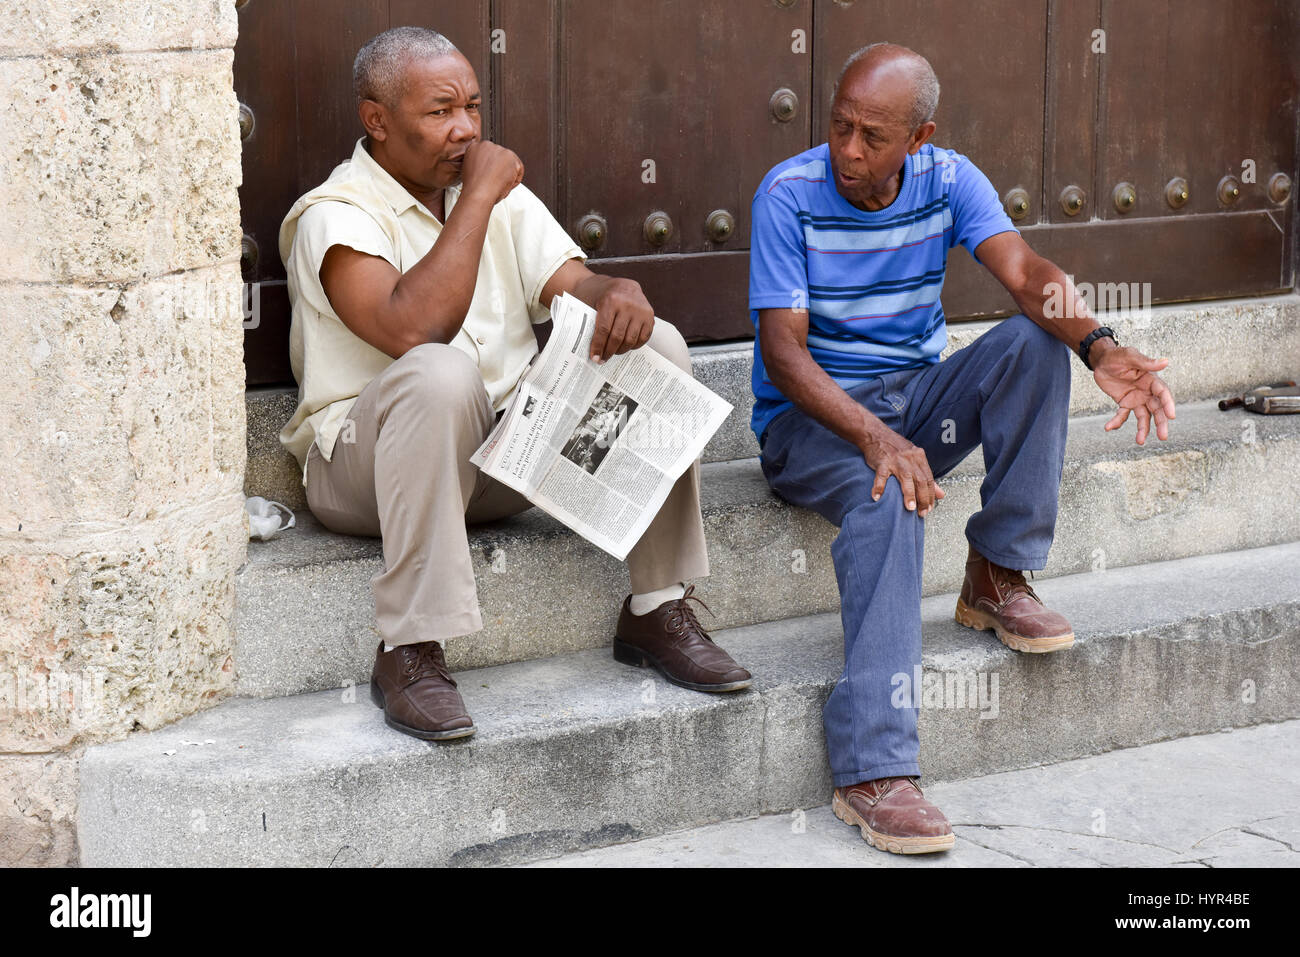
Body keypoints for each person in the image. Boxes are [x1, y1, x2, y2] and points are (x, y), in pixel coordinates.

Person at [749, 42, 1176, 854]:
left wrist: (1098, 342)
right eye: (839, 125)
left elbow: (1021, 270)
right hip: (812, 425)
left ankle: (995, 572)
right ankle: (873, 770)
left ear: (919, 137)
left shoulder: (948, 178)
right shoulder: (788, 196)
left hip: (915, 399)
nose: (847, 149)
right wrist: (878, 439)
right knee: (890, 496)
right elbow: (785, 356)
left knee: (1031, 345)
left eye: (872, 136)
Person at [277, 27, 751, 742]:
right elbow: (412, 330)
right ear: (376, 120)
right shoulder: (334, 215)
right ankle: (408, 650)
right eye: (440, 112)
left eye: (472, 106)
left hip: (501, 457)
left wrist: (615, 290)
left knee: (655, 344)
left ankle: (657, 606)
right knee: (438, 372)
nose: (465, 129)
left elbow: (574, 284)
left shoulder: (484, 188)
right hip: (364, 477)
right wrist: (478, 200)